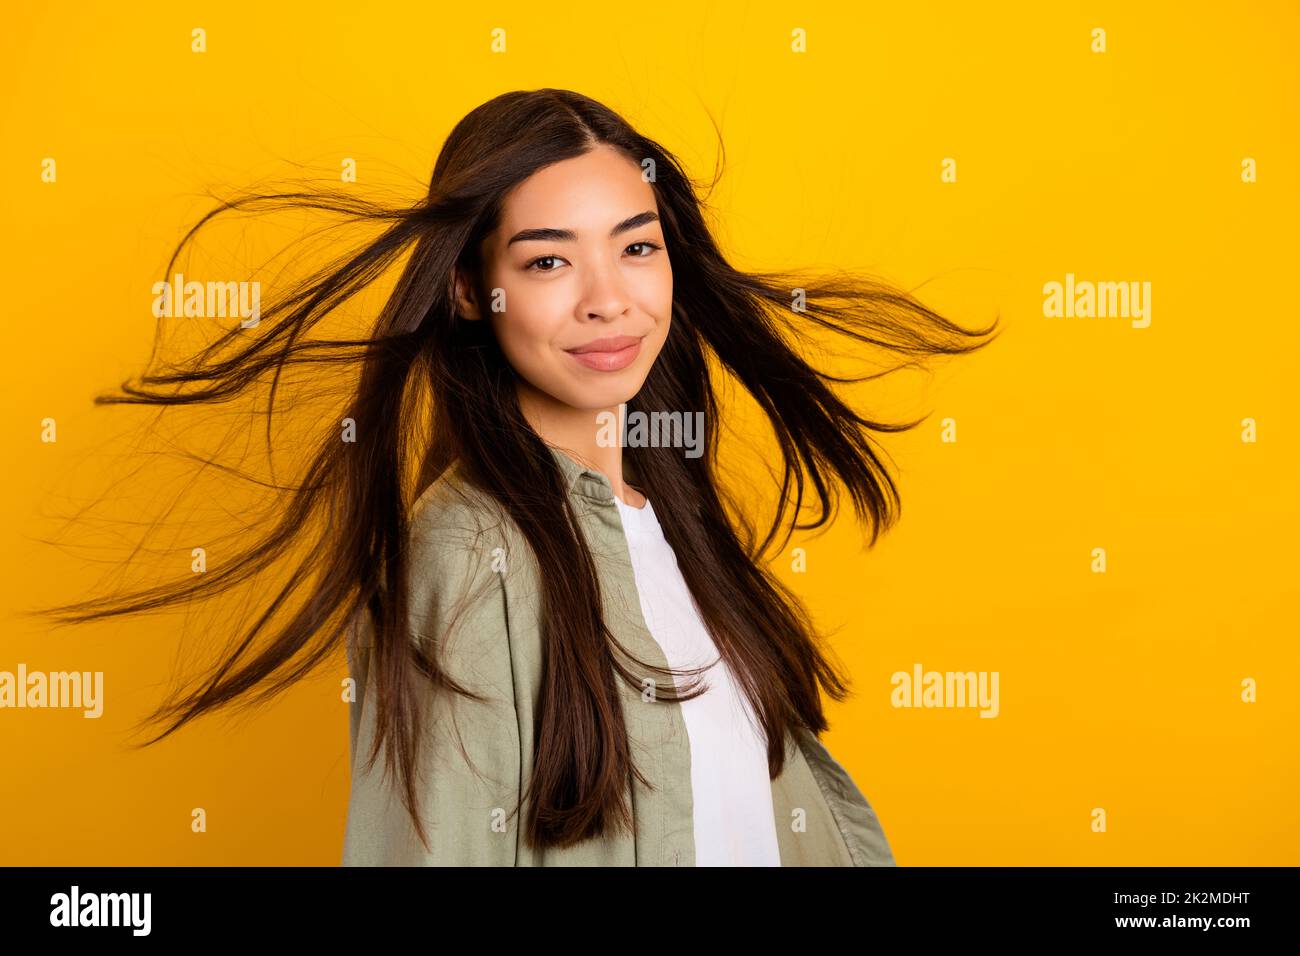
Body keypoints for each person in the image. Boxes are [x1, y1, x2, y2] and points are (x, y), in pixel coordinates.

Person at [40, 88, 1000, 865]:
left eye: (637, 247)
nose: (608, 300)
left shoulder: (676, 526)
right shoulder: (468, 559)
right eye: (548, 262)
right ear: (470, 289)